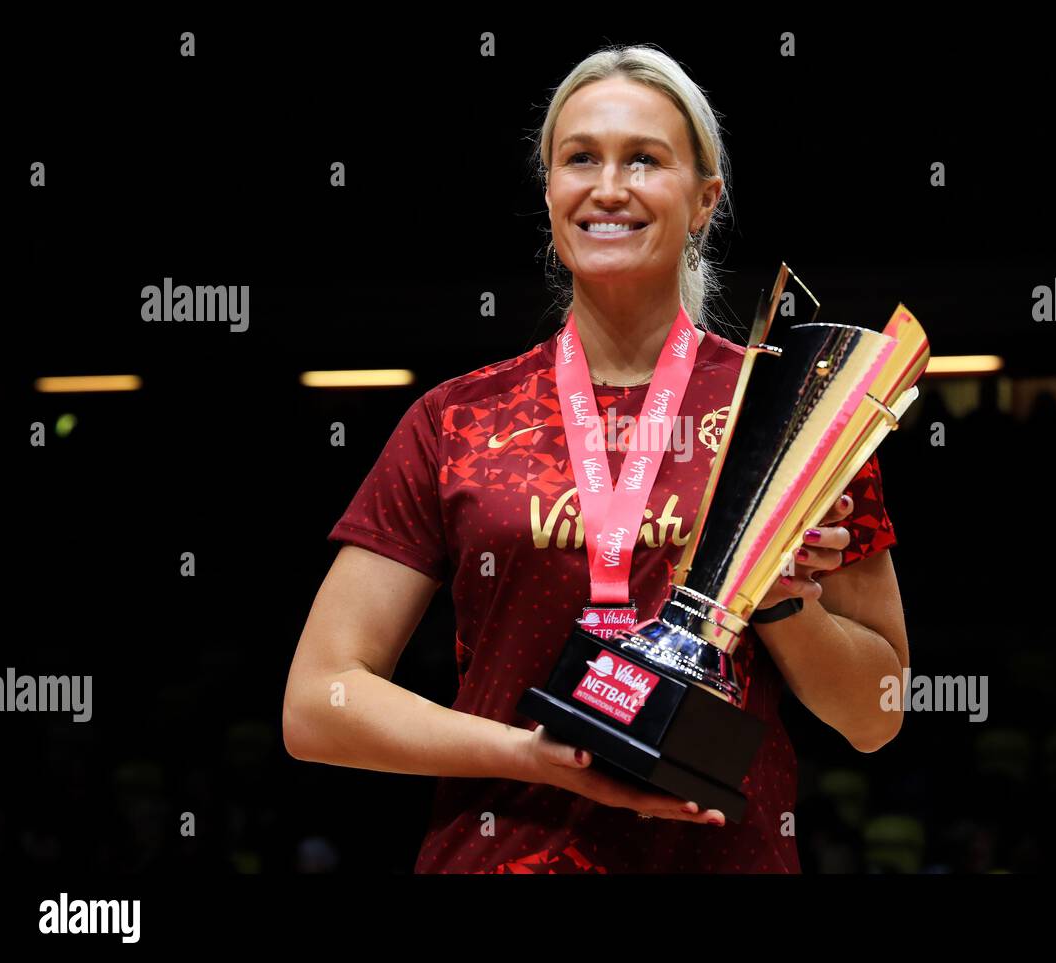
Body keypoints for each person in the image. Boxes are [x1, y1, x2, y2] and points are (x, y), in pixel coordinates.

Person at [282, 44, 909, 873]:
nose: (608, 187)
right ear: (549, 191)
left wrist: (781, 596)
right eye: (581, 158)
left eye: (645, 160)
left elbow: (877, 713)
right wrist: (525, 752)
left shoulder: (790, 413)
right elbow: (317, 702)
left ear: (704, 201)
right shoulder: (457, 419)